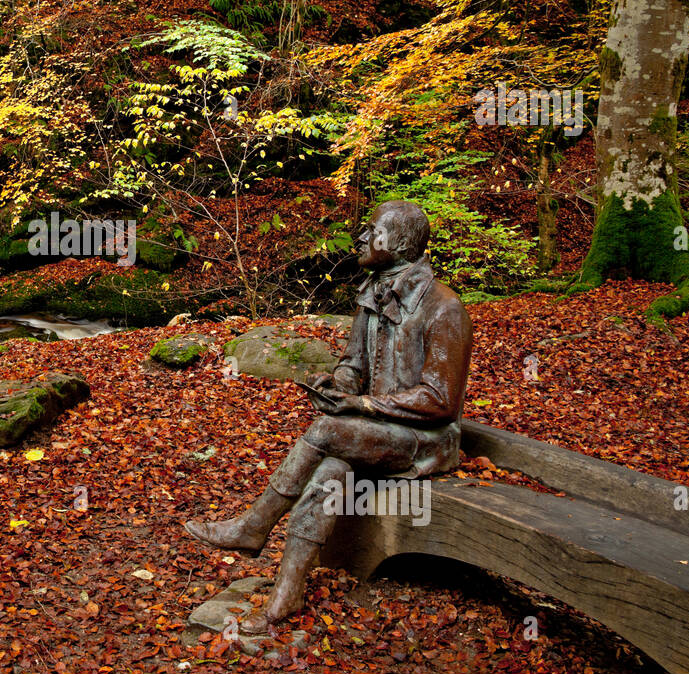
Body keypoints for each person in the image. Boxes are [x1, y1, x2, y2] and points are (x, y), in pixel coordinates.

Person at [184, 200, 473, 633]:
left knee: (326, 432)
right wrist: (336, 384)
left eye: (371, 230)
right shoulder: (373, 292)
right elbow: (354, 364)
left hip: (426, 440)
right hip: (377, 429)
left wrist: (361, 406)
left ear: (401, 242)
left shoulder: (443, 307)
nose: (360, 237)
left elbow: (439, 400)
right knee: (331, 470)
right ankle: (286, 593)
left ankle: (252, 526)